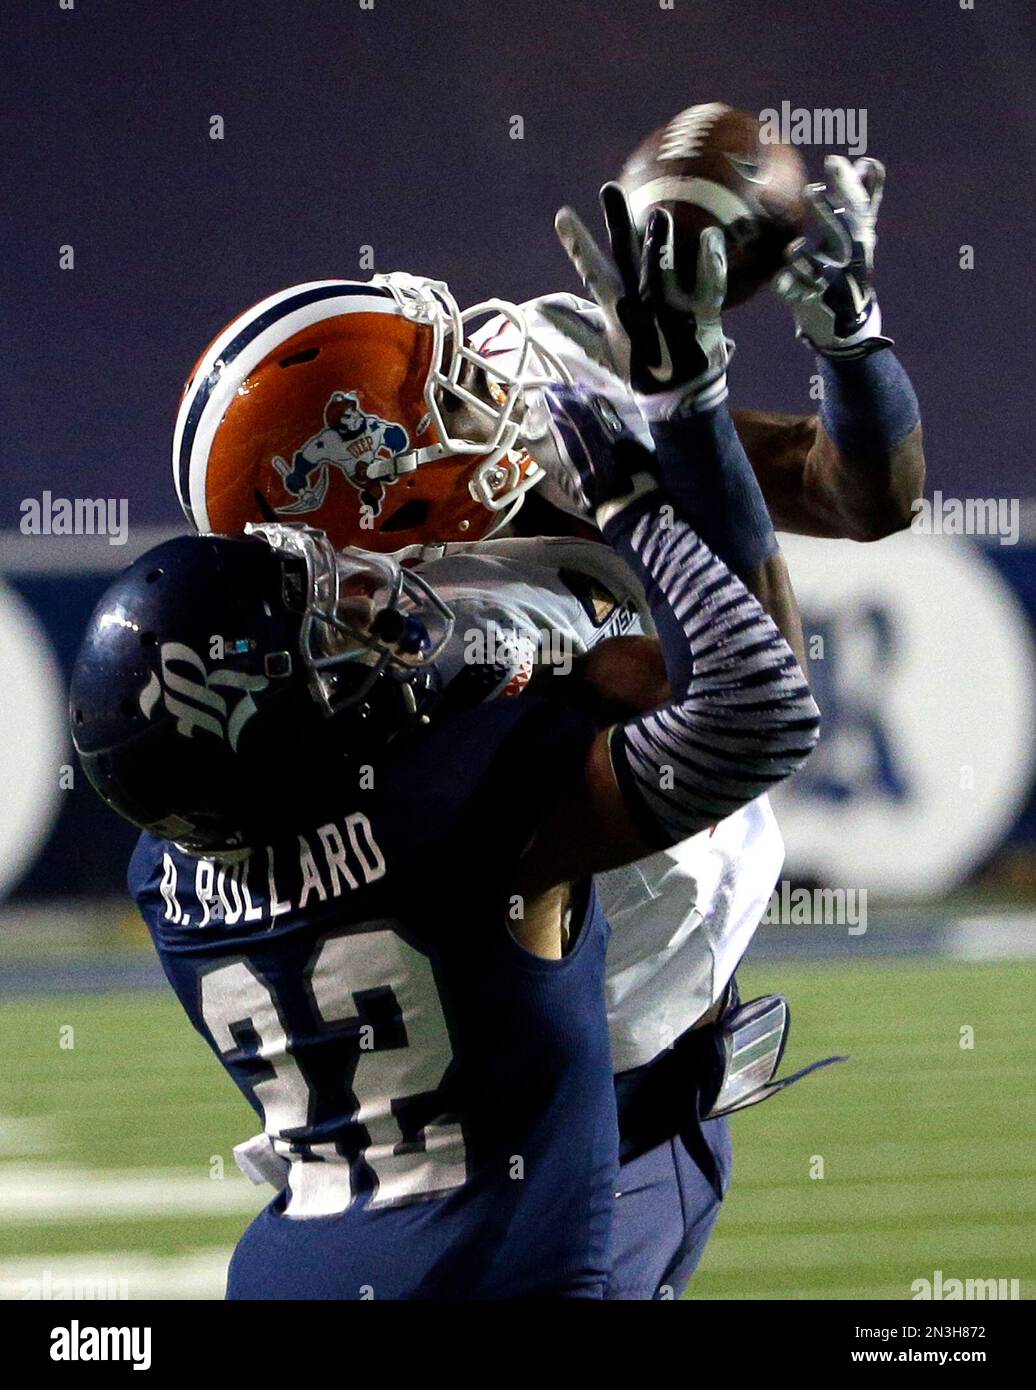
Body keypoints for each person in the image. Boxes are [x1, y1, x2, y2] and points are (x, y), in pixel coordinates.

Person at [69, 238, 820, 1295]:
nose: (356, 616)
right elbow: (760, 711)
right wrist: (645, 493)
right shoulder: (450, 808)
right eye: (320, 630)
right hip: (500, 1261)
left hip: (305, 1260)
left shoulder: (166, 873)